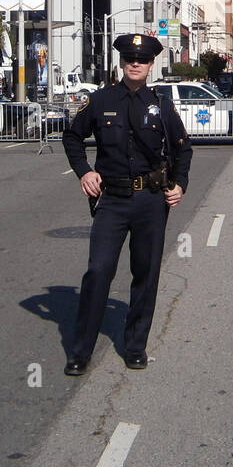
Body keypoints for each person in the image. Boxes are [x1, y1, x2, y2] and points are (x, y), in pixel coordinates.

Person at [61, 33, 192, 375]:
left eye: (143, 60)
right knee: (98, 272)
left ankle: (135, 346)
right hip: (113, 201)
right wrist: (83, 172)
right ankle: (80, 351)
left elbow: (183, 148)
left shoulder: (161, 105)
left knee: (145, 274)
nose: (136, 64)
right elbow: (72, 136)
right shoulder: (101, 100)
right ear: (122, 63)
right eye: (130, 59)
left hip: (150, 201)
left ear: (151, 65)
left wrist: (180, 184)